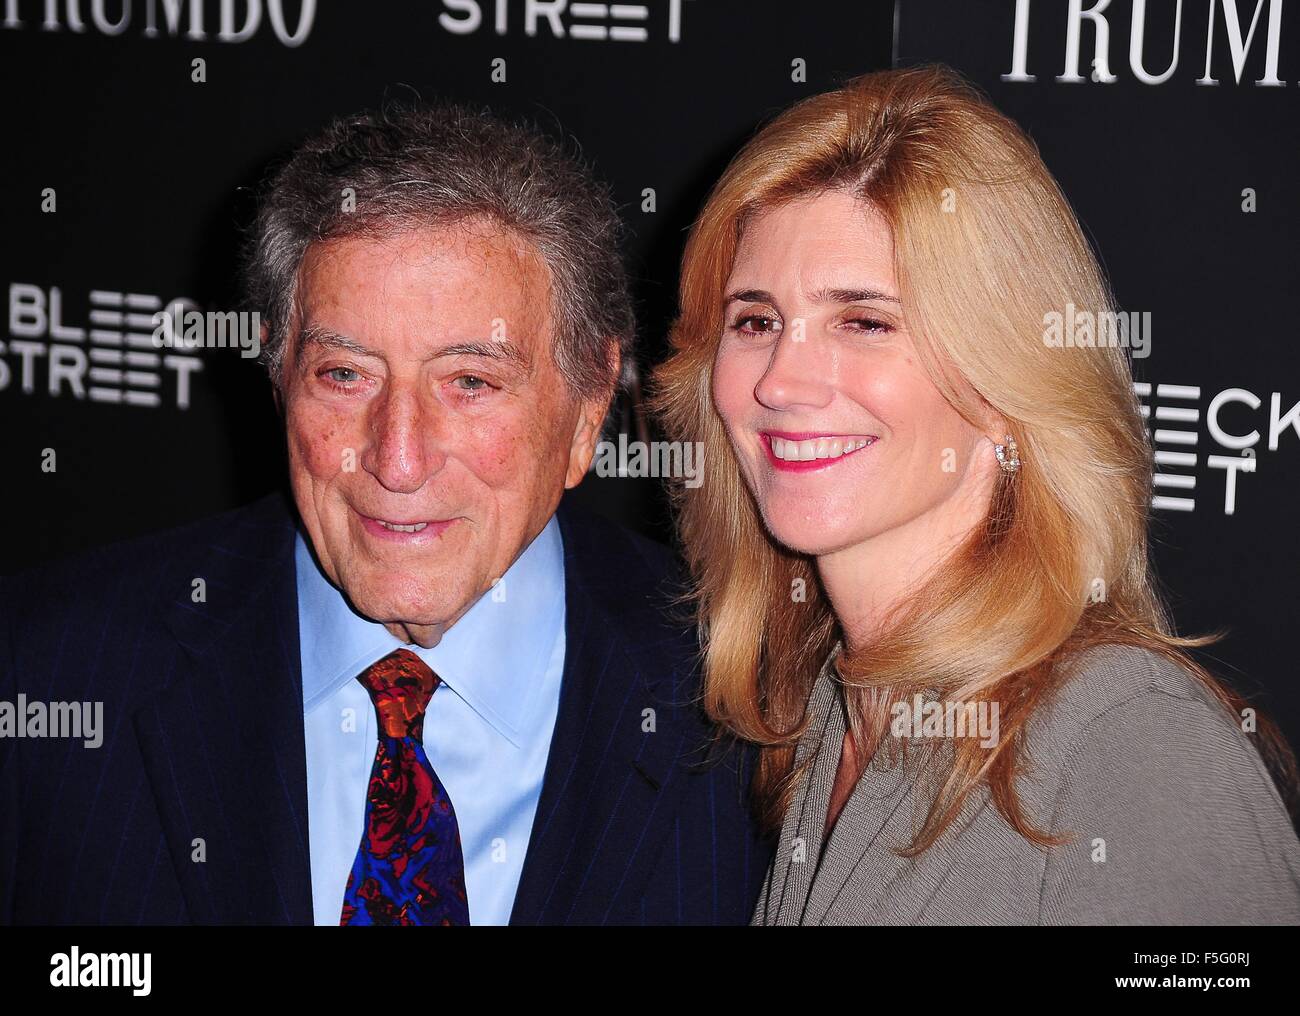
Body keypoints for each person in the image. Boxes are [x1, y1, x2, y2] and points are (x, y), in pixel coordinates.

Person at [0, 102, 769, 926]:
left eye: (469, 382)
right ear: (278, 380)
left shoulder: (758, 709)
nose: (397, 459)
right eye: (344, 375)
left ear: (587, 411)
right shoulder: (47, 673)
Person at [652, 64, 1300, 924]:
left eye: (865, 322)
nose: (783, 380)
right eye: (756, 320)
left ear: (1004, 383)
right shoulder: (829, 716)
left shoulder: (1130, 745)